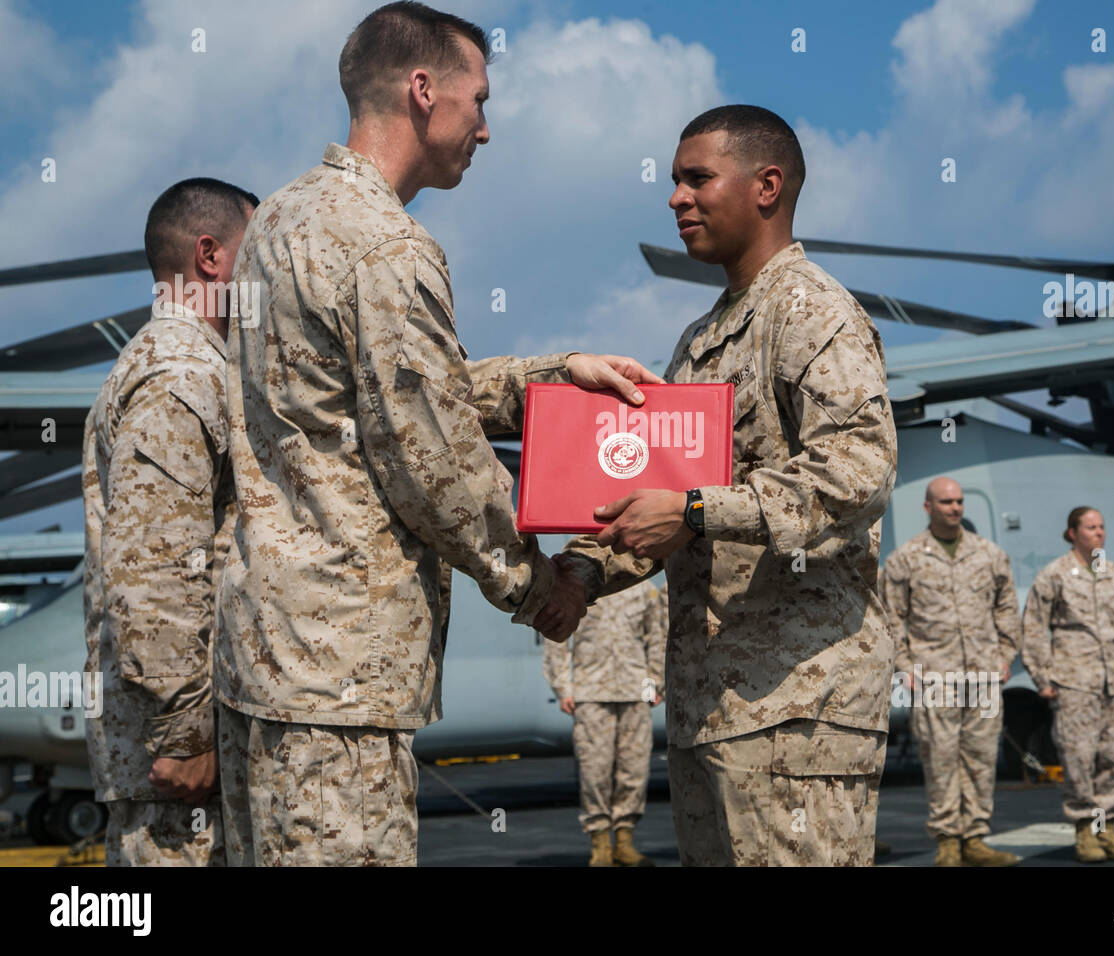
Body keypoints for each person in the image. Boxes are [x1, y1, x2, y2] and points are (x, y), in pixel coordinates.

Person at [216, 3, 659, 866]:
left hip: (267, 659)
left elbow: (377, 395)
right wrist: (543, 588)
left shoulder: (276, 222)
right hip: (342, 678)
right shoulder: (386, 244)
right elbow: (437, 460)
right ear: (423, 91)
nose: (485, 130)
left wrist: (551, 376)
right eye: (480, 101)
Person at [562, 104, 897, 866]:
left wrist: (693, 508)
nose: (676, 197)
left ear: (767, 185)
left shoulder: (813, 311)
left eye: (697, 179)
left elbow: (857, 472)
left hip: (798, 709)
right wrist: (580, 572)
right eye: (675, 182)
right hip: (711, 709)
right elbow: (661, 509)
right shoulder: (702, 338)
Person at [84, 177, 258, 866]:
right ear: (211, 257)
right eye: (259, 247)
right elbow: (155, 568)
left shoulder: (199, 367)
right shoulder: (179, 375)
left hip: (192, 753)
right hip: (179, 772)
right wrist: (184, 731)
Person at [881, 476, 1020, 867]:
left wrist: (1005, 654)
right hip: (934, 678)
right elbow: (892, 618)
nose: (955, 508)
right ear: (928, 507)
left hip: (984, 677)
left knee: (979, 758)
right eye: (946, 502)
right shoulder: (906, 559)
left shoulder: (990, 555)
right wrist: (906, 667)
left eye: (958, 501)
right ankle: (947, 840)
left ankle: (975, 837)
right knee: (940, 759)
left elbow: (1007, 608)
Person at [1021, 507, 1114, 863]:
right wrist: (1042, 676)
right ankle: (1085, 830)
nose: (1098, 533)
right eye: (1090, 527)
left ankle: (1109, 828)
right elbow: (1034, 627)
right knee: (1079, 757)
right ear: (1072, 532)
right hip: (1074, 682)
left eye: (1102, 527)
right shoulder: (1054, 575)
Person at [543, 579, 667, 866]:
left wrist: (654, 684)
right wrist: (564, 688)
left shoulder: (642, 587)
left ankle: (625, 842)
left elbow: (657, 636)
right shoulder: (577, 585)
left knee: (634, 769)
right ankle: (600, 845)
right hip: (590, 692)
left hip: (634, 691)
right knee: (594, 769)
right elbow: (556, 637)